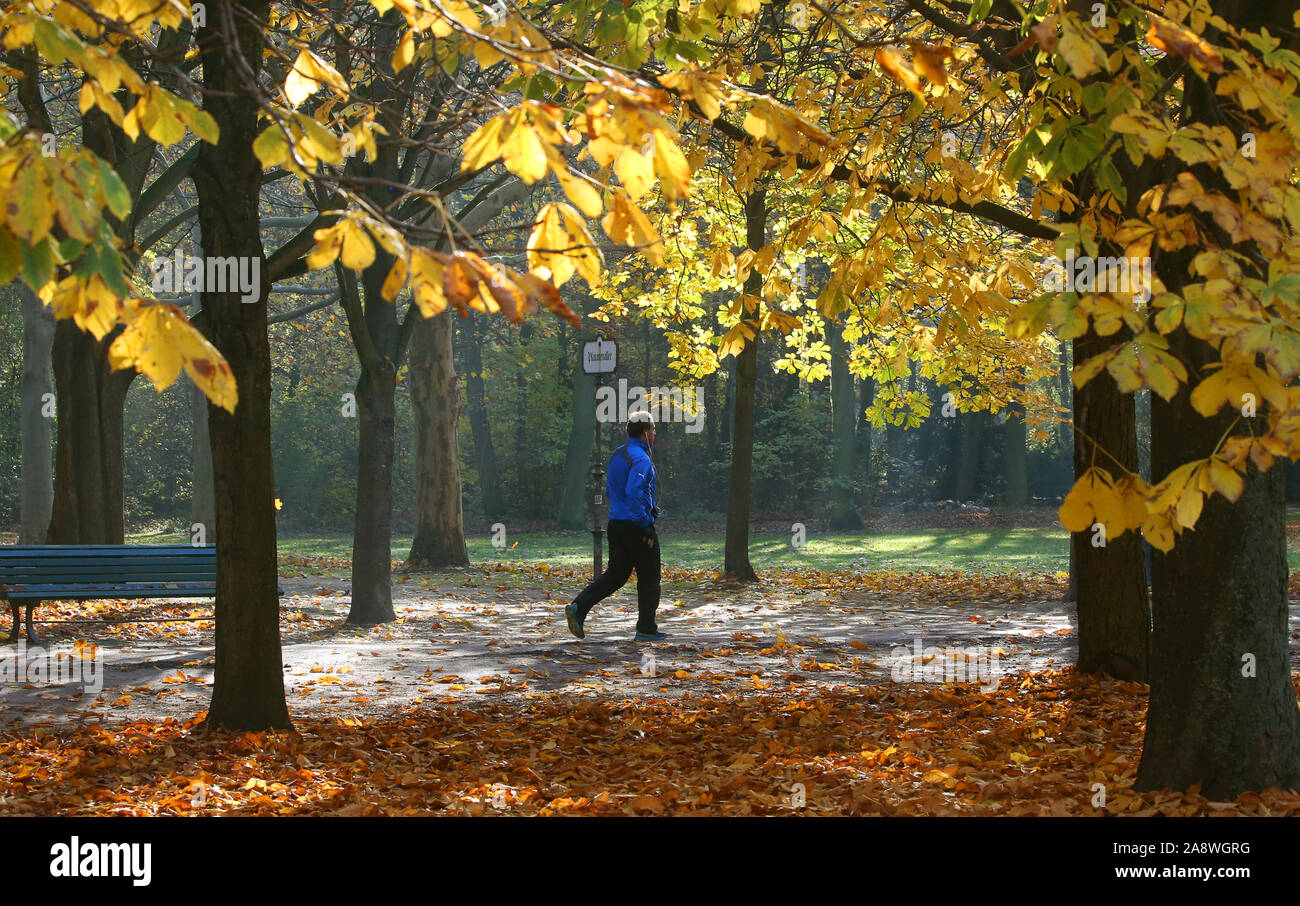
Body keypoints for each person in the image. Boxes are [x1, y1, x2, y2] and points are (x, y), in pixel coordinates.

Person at [565, 410, 665, 642]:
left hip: (616, 524)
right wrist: (645, 525)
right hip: (636, 527)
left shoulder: (618, 455)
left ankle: (579, 607)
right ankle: (646, 629)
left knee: (616, 575)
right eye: (653, 429)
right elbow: (634, 491)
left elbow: (614, 489)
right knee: (650, 577)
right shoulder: (641, 458)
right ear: (644, 432)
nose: (654, 433)